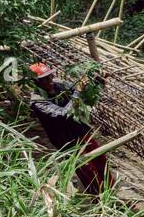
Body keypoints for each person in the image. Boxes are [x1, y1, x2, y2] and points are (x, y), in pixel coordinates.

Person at [27, 62, 110, 194]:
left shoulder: (60, 85)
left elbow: (86, 98)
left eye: (50, 76)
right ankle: (100, 200)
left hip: (81, 131)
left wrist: (97, 82)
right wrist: (77, 92)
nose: (50, 81)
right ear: (35, 82)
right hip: (67, 141)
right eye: (44, 79)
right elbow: (63, 114)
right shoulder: (38, 101)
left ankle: (111, 194)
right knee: (87, 170)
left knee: (101, 162)